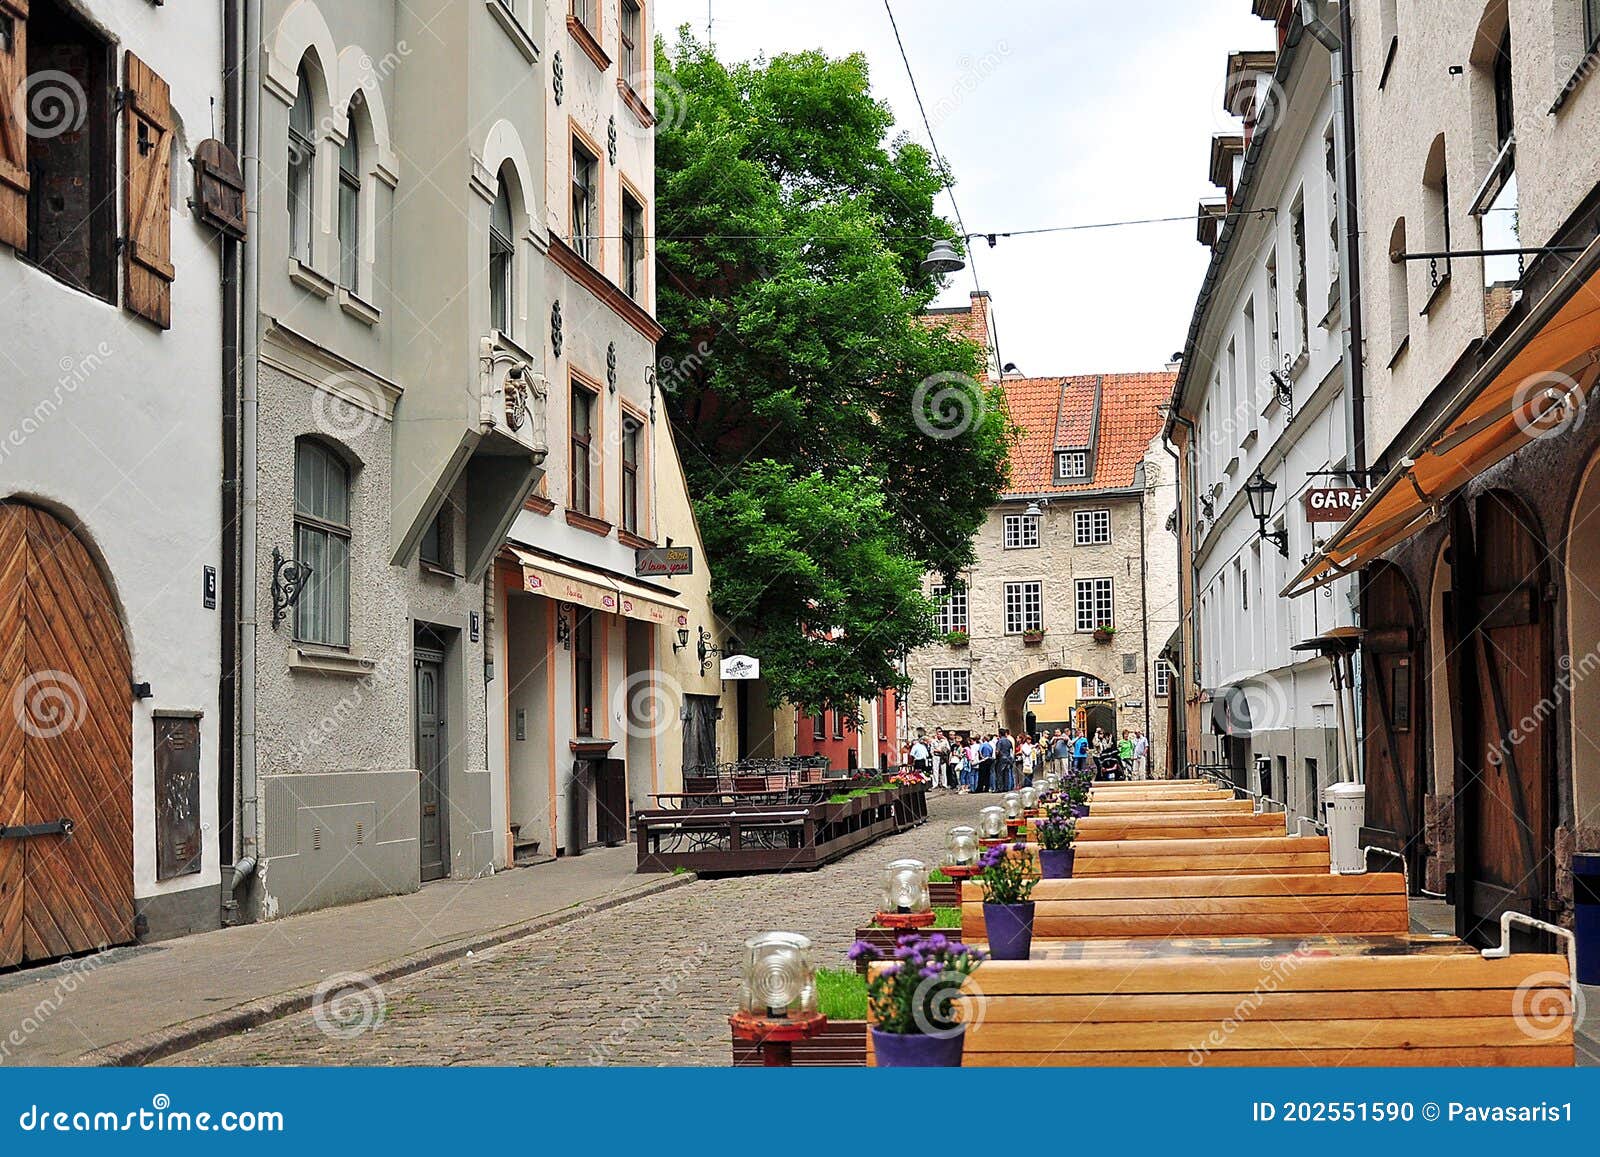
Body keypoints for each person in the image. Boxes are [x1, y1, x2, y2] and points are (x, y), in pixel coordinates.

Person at [994, 728, 1015, 794]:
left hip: (1001, 759)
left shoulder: (999, 741)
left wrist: (996, 756)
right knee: (1006, 773)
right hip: (1008, 758)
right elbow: (1011, 750)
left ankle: (1000, 788)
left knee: (1000, 774)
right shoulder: (1008, 741)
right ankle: (1006, 787)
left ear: (1000, 734)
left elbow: (997, 751)